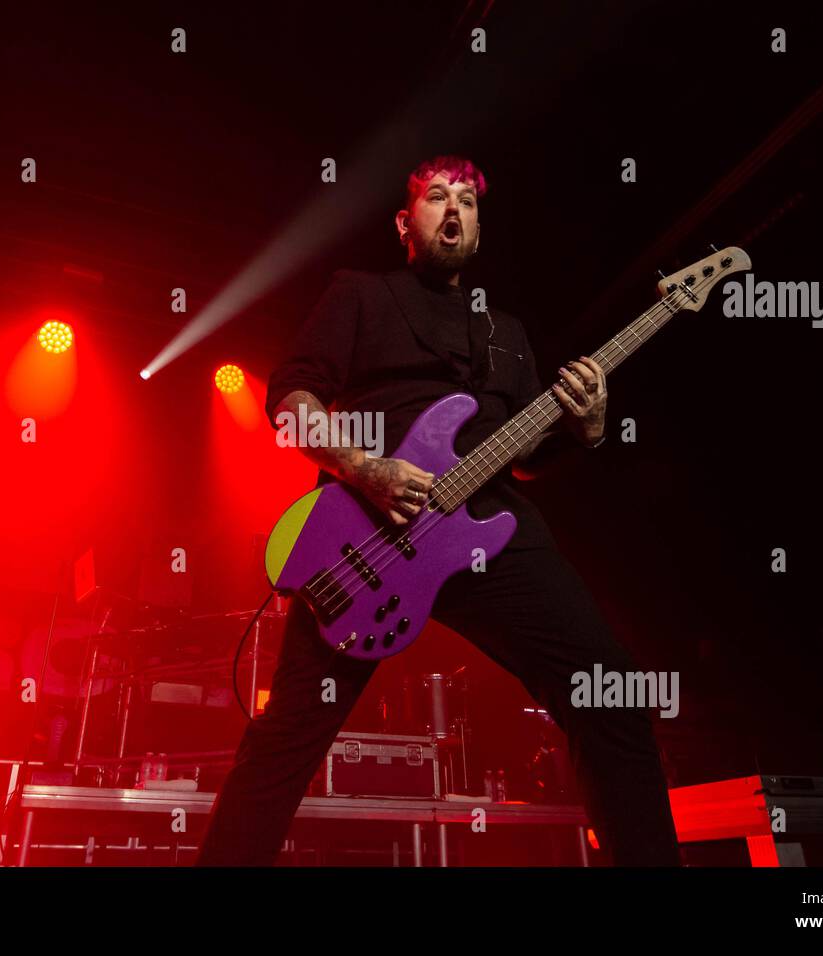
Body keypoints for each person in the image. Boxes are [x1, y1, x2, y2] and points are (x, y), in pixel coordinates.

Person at [197, 156, 680, 865]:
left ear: (479, 229)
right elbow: (293, 402)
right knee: (284, 741)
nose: (453, 210)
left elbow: (526, 458)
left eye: (467, 202)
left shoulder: (505, 332)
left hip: (490, 530)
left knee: (609, 693)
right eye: (435, 198)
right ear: (405, 223)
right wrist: (366, 470)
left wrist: (590, 428)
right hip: (366, 534)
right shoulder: (360, 294)